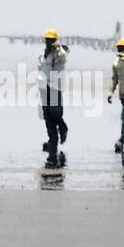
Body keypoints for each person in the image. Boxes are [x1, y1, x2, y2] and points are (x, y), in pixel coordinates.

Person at [38, 29, 69, 167]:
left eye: (51, 40)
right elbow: (41, 70)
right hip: (44, 89)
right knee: (47, 117)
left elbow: (63, 56)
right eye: (47, 40)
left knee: (55, 113)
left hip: (55, 88)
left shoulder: (59, 53)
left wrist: (58, 47)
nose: (48, 42)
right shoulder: (42, 55)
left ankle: (62, 128)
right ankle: (52, 149)